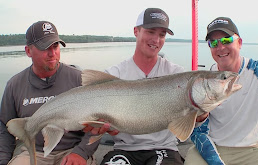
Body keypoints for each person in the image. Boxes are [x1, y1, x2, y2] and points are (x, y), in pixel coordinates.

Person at [85, 8, 207, 165]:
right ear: (136, 31)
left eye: (162, 35)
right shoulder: (113, 74)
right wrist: (100, 124)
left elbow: (190, 124)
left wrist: (202, 114)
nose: (156, 40)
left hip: (164, 149)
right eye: (150, 32)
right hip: (124, 149)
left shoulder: (177, 74)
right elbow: (94, 125)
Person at [0, 21, 117, 165]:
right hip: (33, 153)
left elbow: (99, 122)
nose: (52, 53)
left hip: (72, 150)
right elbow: (4, 129)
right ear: (28, 51)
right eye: (45, 48)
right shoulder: (14, 85)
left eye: (55, 46)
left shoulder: (79, 79)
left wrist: (81, 153)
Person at [184, 17, 258, 165]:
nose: (220, 47)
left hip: (251, 149)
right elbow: (198, 133)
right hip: (209, 148)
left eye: (227, 40)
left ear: (239, 42)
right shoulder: (202, 82)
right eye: (213, 43)